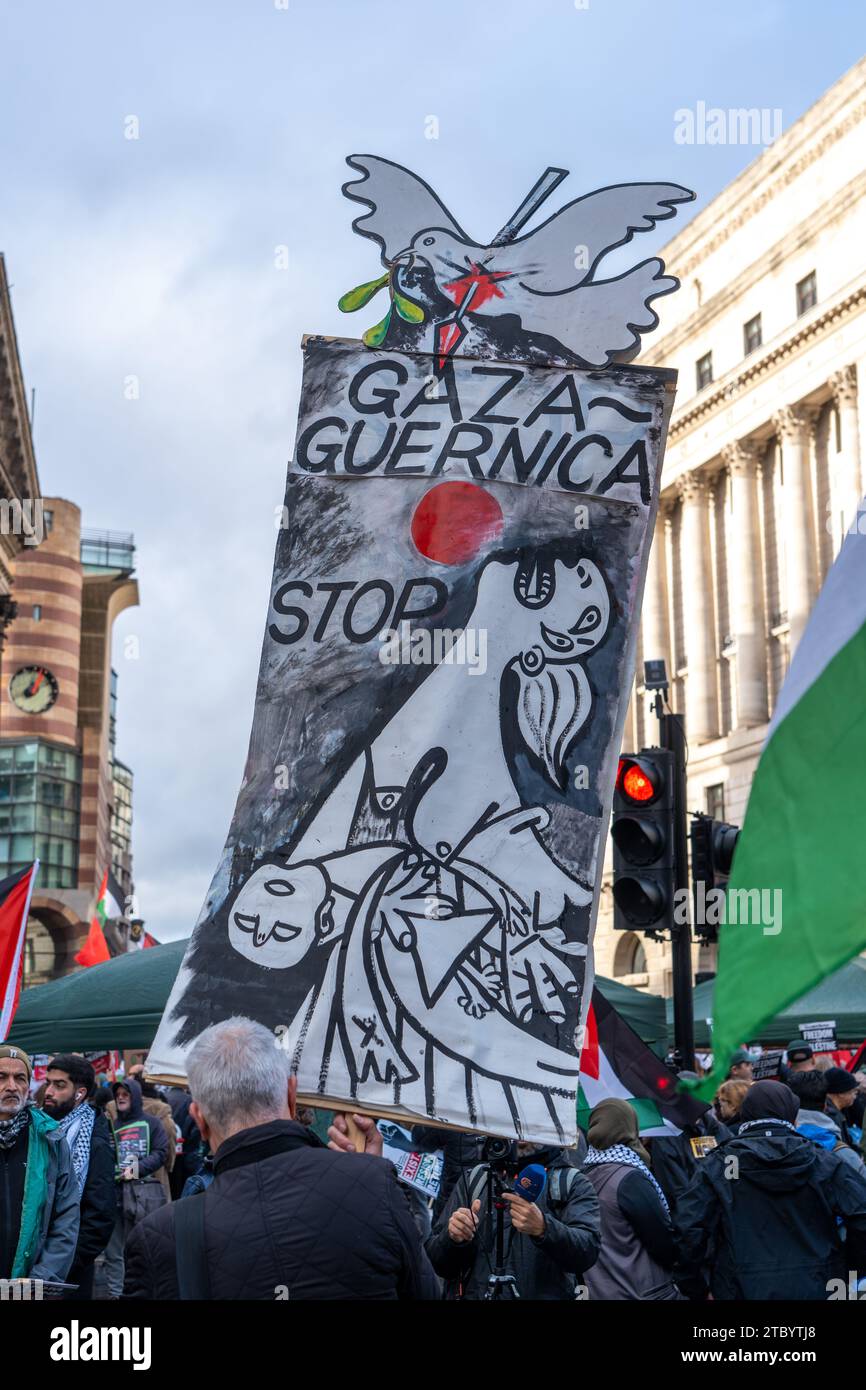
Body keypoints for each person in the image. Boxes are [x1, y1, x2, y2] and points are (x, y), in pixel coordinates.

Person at [123, 1016, 438, 1299]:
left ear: (199, 1119)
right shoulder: (374, 1183)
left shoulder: (160, 1237)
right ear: (291, 1093)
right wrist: (366, 1177)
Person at [676, 1079, 866, 1300]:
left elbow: (689, 1227)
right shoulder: (821, 1161)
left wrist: (696, 1286)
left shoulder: (722, 1164)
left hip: (742, 1287)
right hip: (814, 1284)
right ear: (792, 1117)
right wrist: (848, 1268)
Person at [425, 1134, 600, 1299]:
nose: (520, 1137)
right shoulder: (475, 1179)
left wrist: (544, 1228)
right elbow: (438, 1262)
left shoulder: (569, 1182)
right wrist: (453, 1239)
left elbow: (587, 1250)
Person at [581, 1099, 680, 1300]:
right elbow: (663, 1242)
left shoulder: (582, 1176)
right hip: (641, 1292)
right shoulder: (630, 1177)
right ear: (629, 1127)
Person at [0, 1044, 79, 1284]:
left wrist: (41, 1279)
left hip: (28, 1286)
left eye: (20, 1078)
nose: (12, 1086)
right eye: (1, 1077)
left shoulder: (50, 1138)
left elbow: (66, 1216)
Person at [42, 1054, 116, 1298]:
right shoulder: (42, 1128)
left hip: (69, 1272)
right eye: (48, 1083)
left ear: (80, 1093)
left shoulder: (94, 1140)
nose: (49, 1091)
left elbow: (100, 1214)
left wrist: (67, 1262)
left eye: (59, 1085)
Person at [102, 1077, 169, 1298]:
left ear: (136, 1097)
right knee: (114, 1254)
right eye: (118, 1094)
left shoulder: (152, 1123)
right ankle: (115, 1295)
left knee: (139, 1250)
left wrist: (137, 1168)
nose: (120, 1098)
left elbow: (161, 1152)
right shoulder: (110, 1125)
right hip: (113, 1197)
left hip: (141, 1197)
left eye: (126, 1094)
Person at [789, 1070, 865, 1172]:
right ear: (825, 1105)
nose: (855, 1095)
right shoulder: (832, 1123)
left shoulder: (782, 1145)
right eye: (853, 1091)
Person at [824, 1068, 862, 1151]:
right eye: (854, 1091)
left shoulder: (833, 1111)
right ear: (841, 1093)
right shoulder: (831, 1117)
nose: (855, 1096)